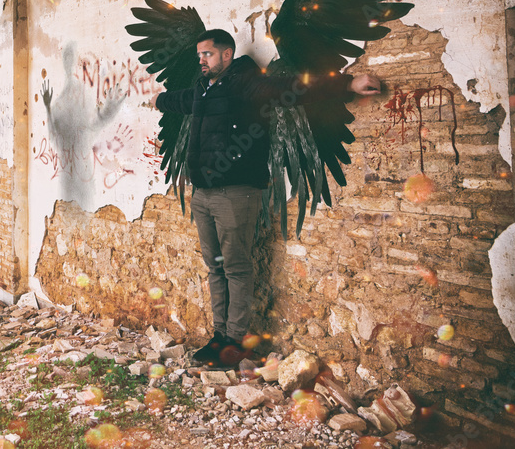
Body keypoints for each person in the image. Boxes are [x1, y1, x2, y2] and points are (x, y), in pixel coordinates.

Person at [152, 29, 380, 366]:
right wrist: (157, 99)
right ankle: (219, 337)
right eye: (199, 55)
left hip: (236, 193)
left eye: (208, 54)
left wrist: (347, 84)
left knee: (236, 268)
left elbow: (293, 88)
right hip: (203, 194)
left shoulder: (246, 84)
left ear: (227, 55)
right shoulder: (202, 89)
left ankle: (234, 342)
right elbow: (180, 99)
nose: (201, 60)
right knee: (214, 268)